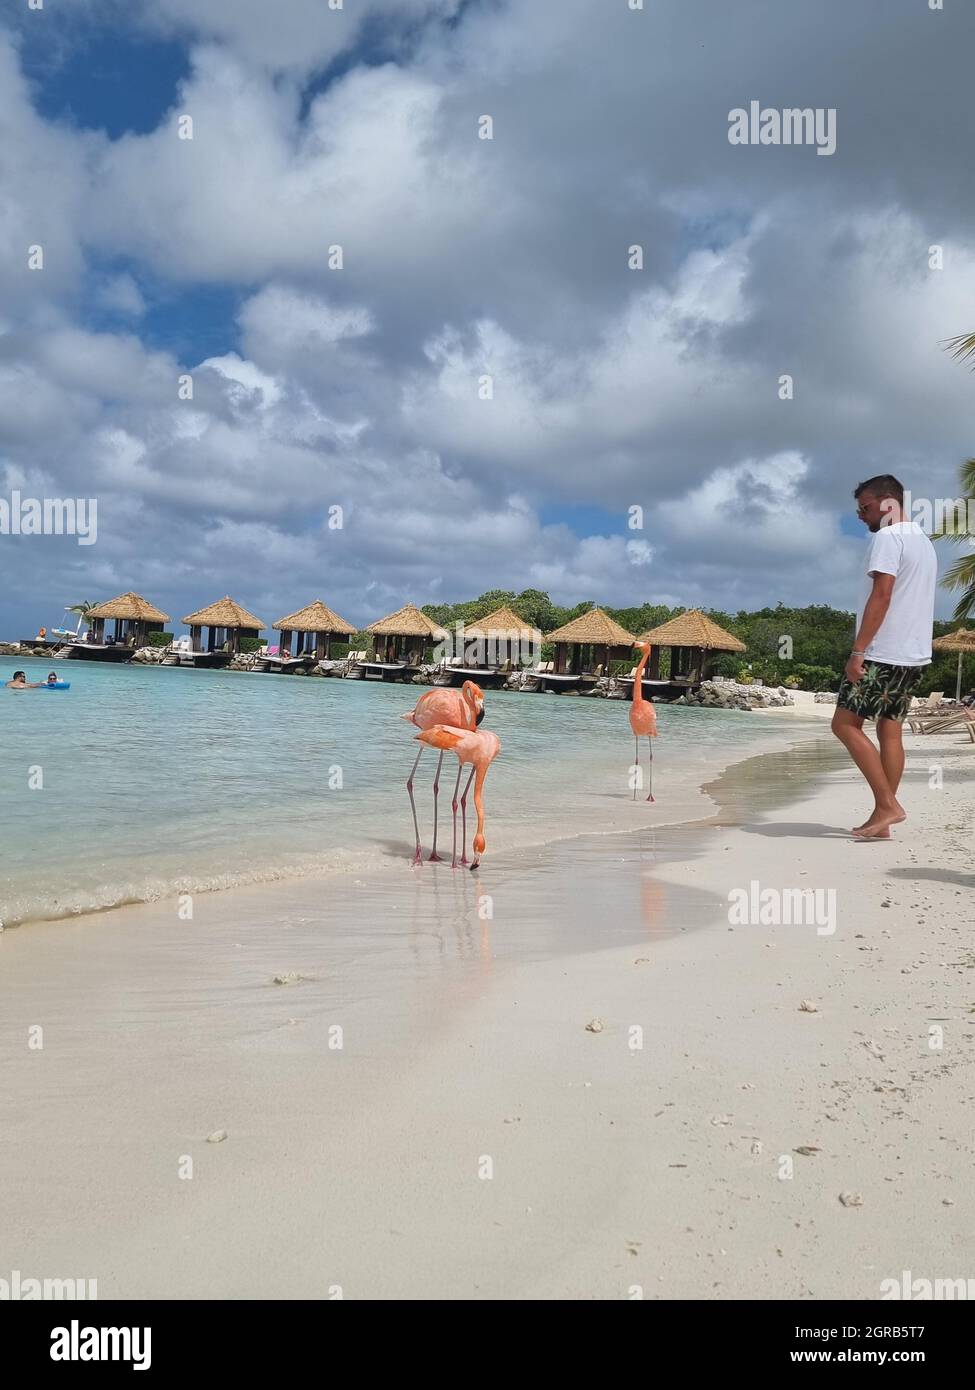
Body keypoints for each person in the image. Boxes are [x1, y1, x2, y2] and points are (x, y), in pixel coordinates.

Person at [831, 475, 937, 839]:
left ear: (888, 503)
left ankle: (888, 806)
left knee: (844, 725)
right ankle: (882, 819)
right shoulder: (922, 541)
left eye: (866, 507)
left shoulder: (888, 538)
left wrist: (858, 650)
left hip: (882, 652)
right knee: (890, 730)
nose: (861, 516)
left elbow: (882, 595)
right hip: (913, 654)